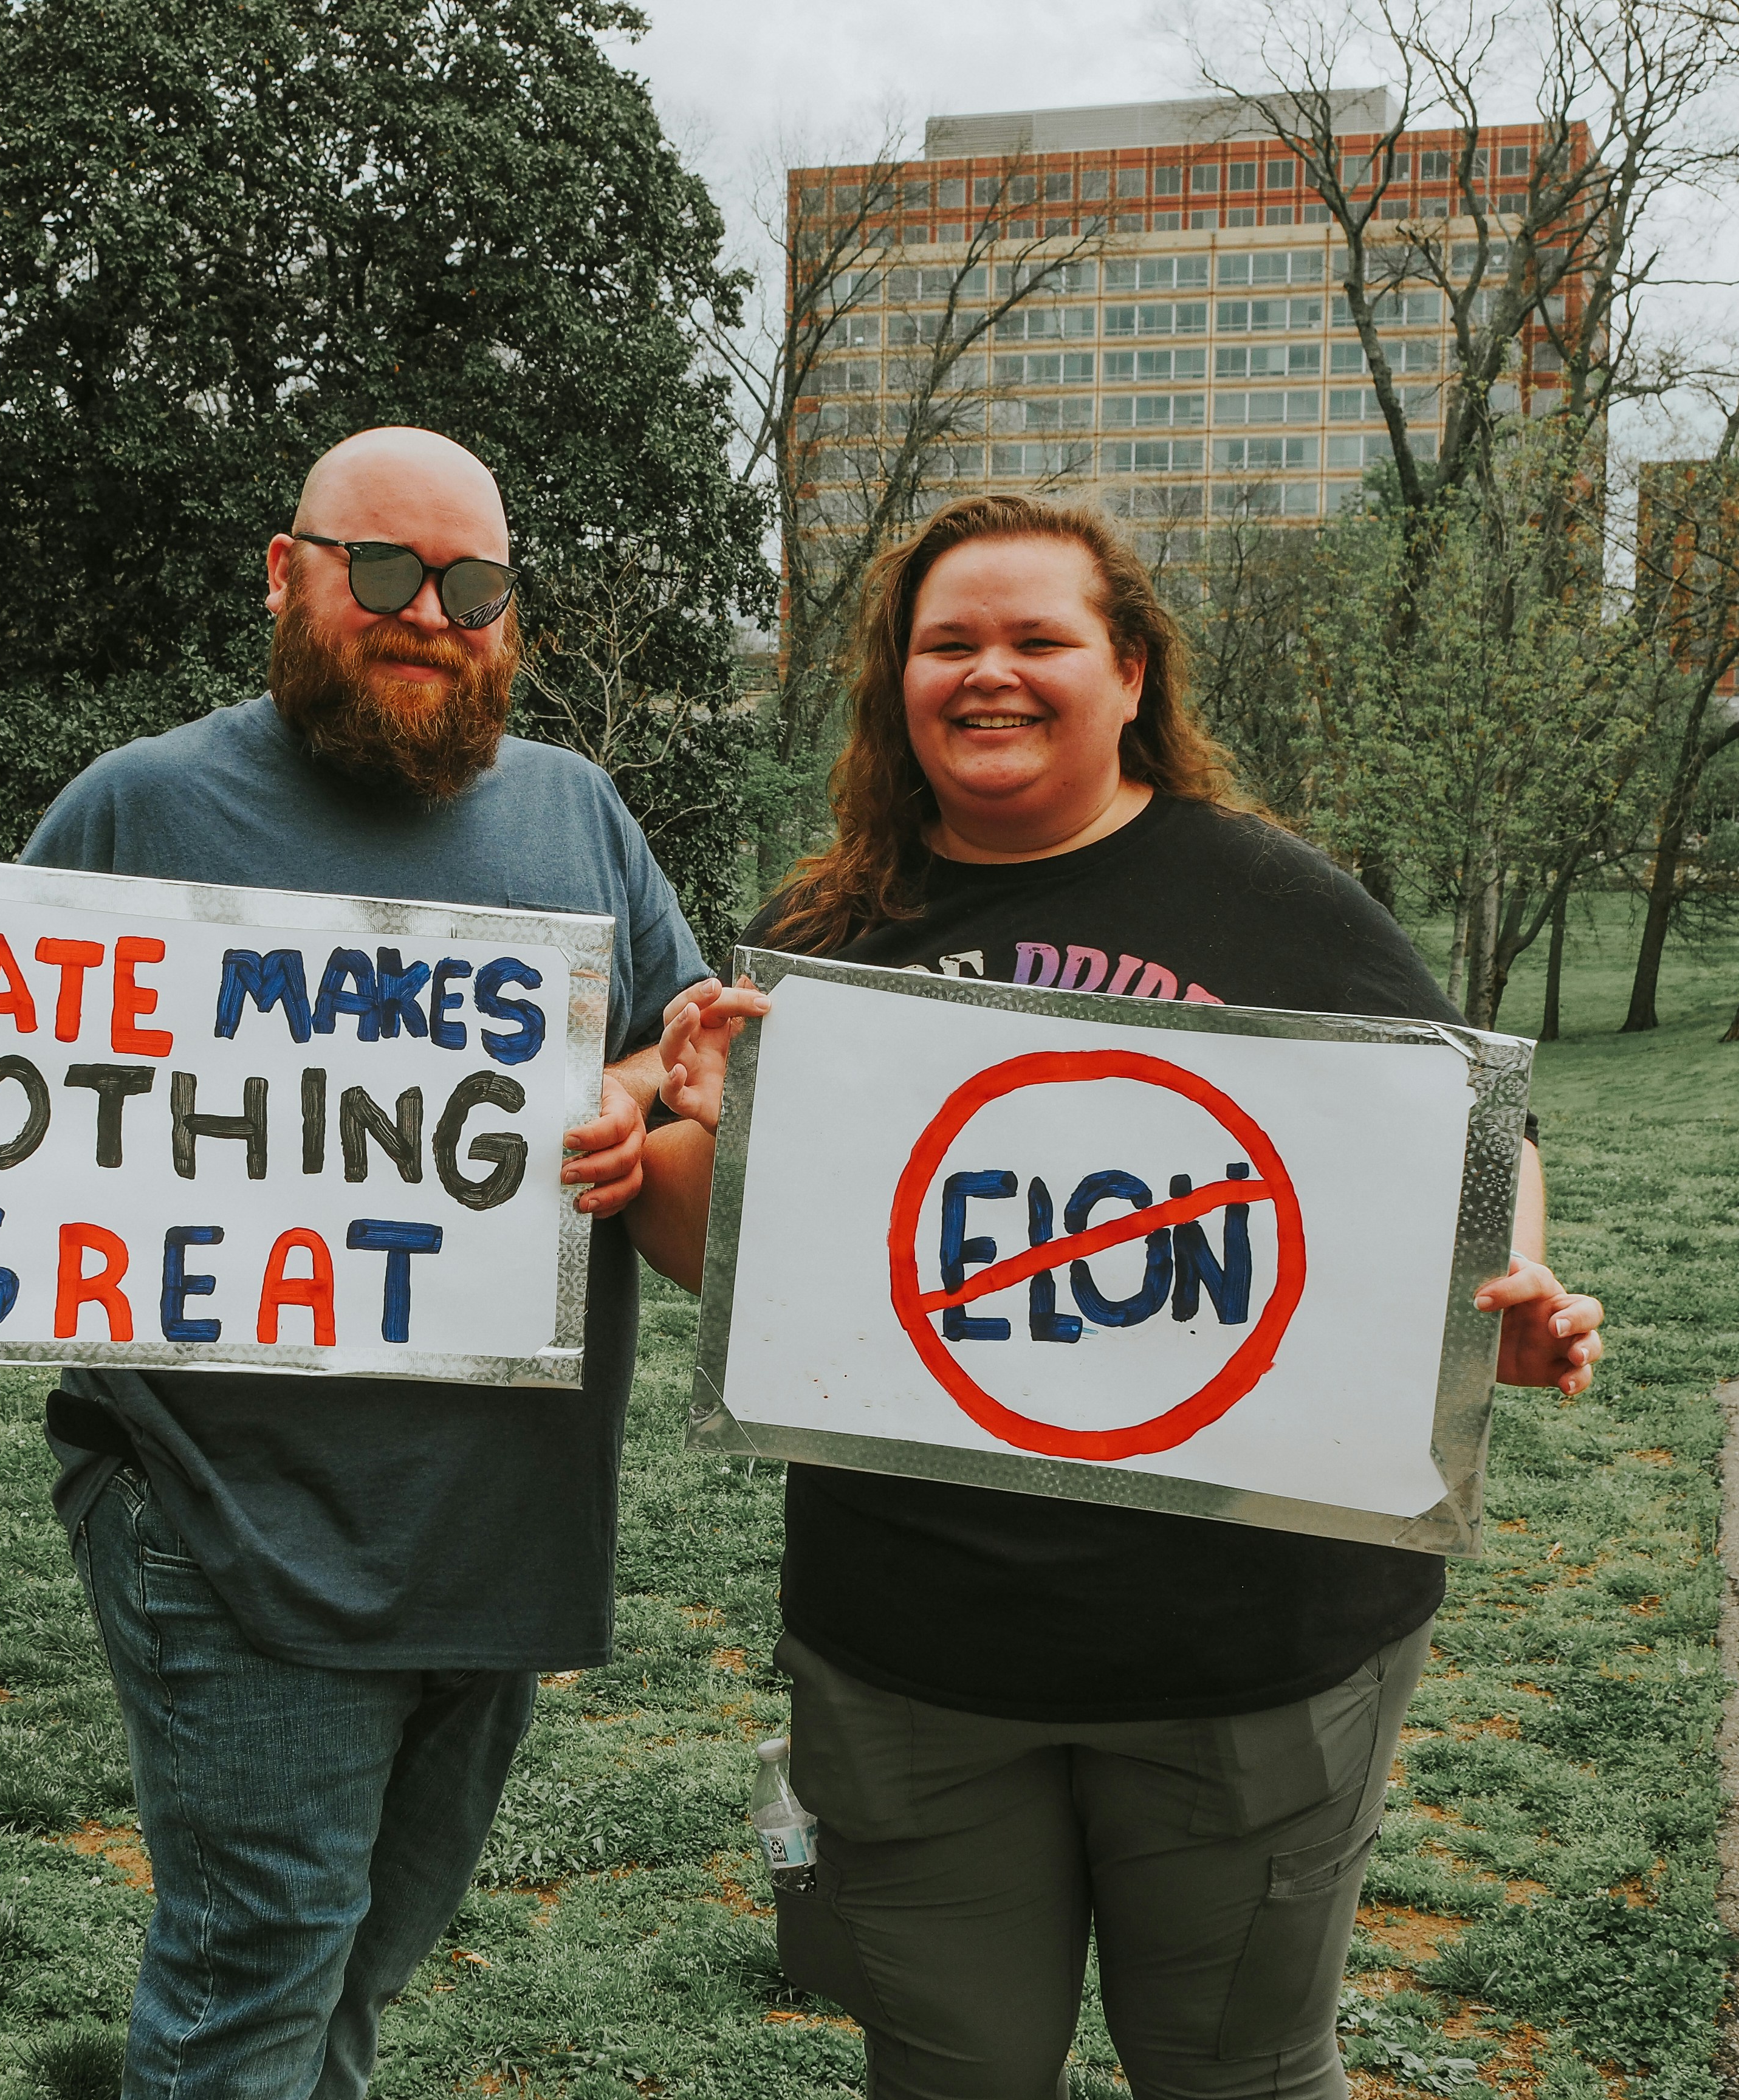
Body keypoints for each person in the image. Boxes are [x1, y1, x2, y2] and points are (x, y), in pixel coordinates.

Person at [636, 494, 1606, 2100]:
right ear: (897, 682)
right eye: (949, 644)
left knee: (1239, 2072)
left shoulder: (1275, 902)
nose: (989, 674)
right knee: (950, 2074)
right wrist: (693, 1138)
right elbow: (720, 1264)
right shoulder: (828, 939)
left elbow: (1474, 1152)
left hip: (1254, 1660)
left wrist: (1491, 1296)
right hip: (913, 1656)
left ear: (1133, 673)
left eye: (1039, 640)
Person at [0, 427, 718, 2100]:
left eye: (474, 583)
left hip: (503, 1520)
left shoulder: (581, 810)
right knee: (262, 1965)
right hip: (228, 1507)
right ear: (284, 572)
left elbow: (667, 1054)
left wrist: (624, 1098)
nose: (429, 612)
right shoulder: (143, 802)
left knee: (360, 1954)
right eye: (382, 570)